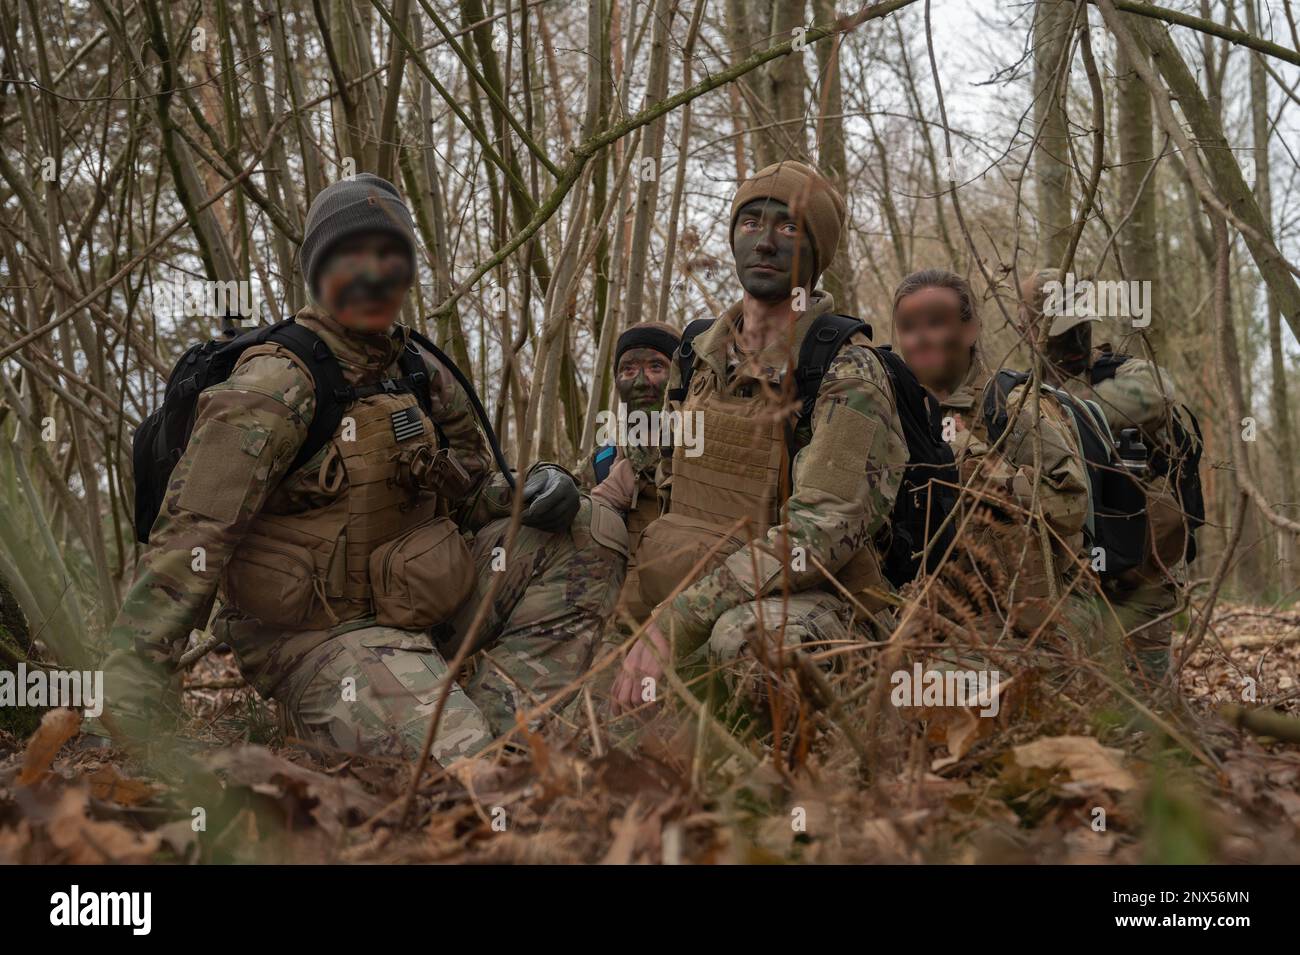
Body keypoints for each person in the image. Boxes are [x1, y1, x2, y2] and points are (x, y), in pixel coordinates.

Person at [102, 173, 627, 762]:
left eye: (391, 257)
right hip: (313, 637)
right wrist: (127, 703)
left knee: (589, 529)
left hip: (422, 607)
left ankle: (504, 729)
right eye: (352, 257)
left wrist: (535, 486)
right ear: (319, 271)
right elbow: (189, 543)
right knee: (457, 759)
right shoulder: (275, 385)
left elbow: (473, 492)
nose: (374, 275)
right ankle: (456, 743)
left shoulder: (421, 370)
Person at [610, 161, 908, 717]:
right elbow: (659, 471)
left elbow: (820, 531)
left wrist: (678, 619)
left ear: (816, 253)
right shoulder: (698, 354)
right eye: (750, 223)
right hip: (692, 571)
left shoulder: (844, 369)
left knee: (749, 644)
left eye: (789, 228)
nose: (765, 242)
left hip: (807, 598)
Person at [892, 268, 1093, 639]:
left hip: (1025, 615)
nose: (920, 338)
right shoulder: (894, 412)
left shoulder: (1009, 405)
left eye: (935, 323)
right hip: (926, 606)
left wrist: (981, 474)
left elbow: (1072, 503)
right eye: (908, 327)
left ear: (970, 330)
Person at [1028, 268, 1187, 681]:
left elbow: (1158, 393)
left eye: (1080, 323)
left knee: (1148, 703)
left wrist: (1066, 409)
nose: (1074, 339)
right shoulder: (1021, 398)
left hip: (1143, 572)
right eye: (1062, 330)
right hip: (1072, 582)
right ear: (1033, 331)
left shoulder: (1126, 374)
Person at [580, 321, 681, 625]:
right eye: (627, 370)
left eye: (655, 366)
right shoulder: (603, 460)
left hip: (679, 623)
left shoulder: (702, 451)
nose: (640, 382)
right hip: (611, 624)